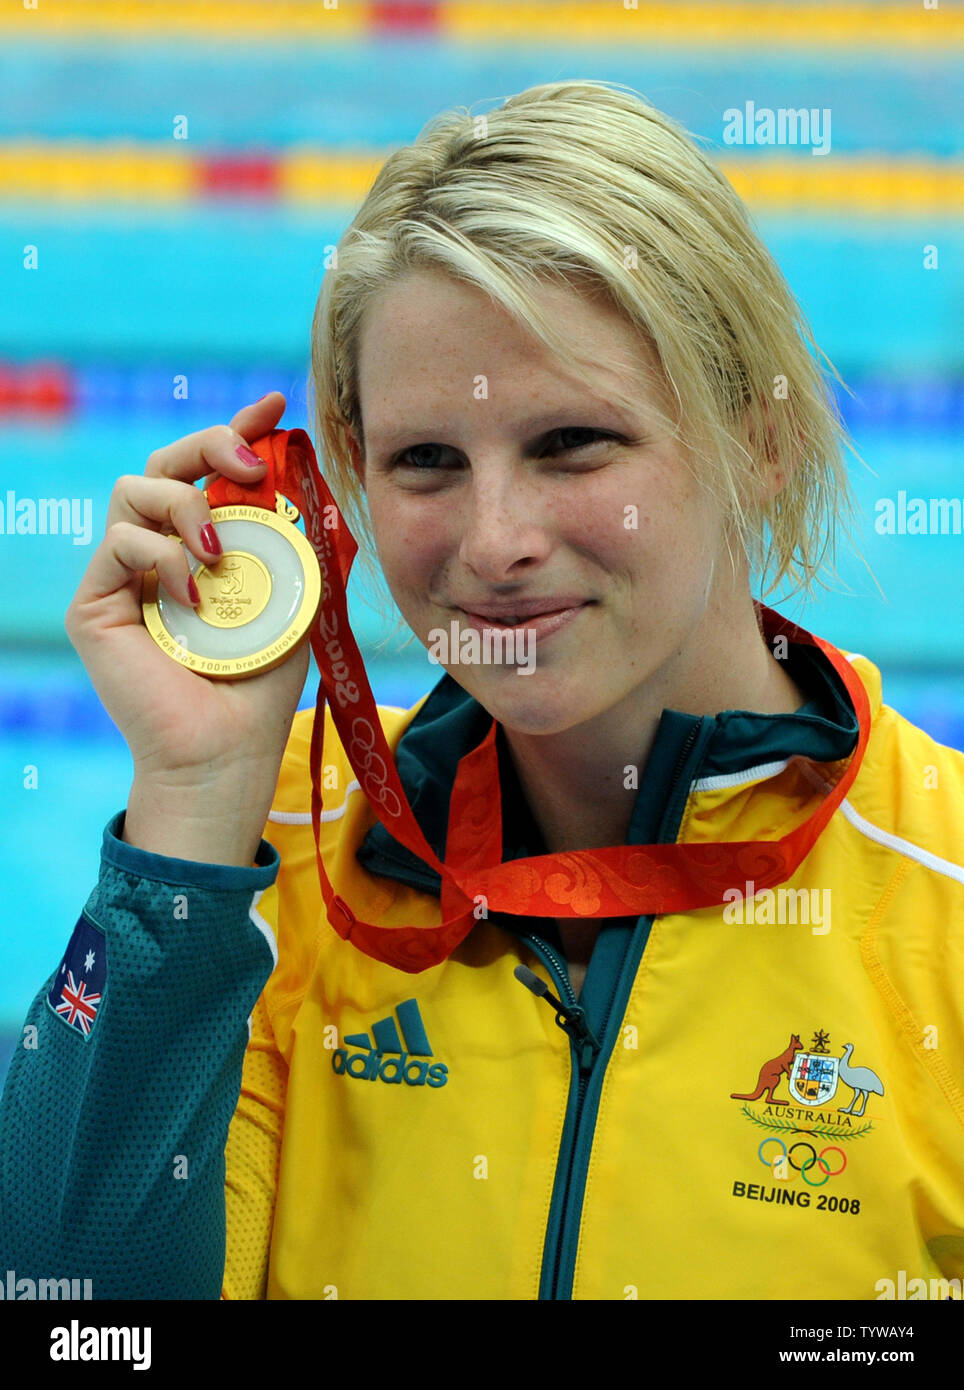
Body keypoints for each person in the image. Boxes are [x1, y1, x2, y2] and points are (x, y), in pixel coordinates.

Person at [1, 79, 962, 1302]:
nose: (494, 541)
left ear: (757, 440)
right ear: (350, 483)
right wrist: (195, 800)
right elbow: (80, 1321)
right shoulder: (270, 872)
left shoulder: (941, 900)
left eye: (572, 445)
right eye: (426, 463)